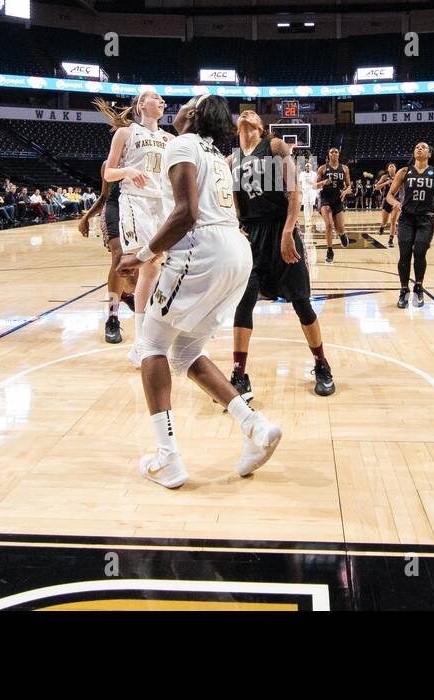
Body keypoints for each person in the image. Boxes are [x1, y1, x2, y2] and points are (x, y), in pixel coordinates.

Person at [117, 95, 282, 490]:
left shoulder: (182, 144)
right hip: (235, 252)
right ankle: (254, 425)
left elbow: (186, 213)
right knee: (186, 352)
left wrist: (143, 254)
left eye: (185, 103)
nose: (174, 107)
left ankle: (168, 459)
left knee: (151, 346)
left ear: (192, 114)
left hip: (203, 250)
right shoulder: (216, 155)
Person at [229, 110, 334, 401]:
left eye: (254, 113)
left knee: (301, 302)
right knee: (244, 302)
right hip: (252, 237)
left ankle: (322, 364)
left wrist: (288, 232)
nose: (247, 112)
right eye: (244, 112)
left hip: (280, 229)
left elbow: (295, 192)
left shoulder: (274, 146)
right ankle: (239, 375)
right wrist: (237, 226)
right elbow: (235, 202)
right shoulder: (232, 160)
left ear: (261, 126)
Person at [100, 91, 172, 366]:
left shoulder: (170, 139)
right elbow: (109, 173)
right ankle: (142, 339)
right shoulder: (126, 133)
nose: (162, 101)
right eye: (155, 97)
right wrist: (127, 171)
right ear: (141, 104)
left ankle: (146, 340)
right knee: (145, 266)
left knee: (155, 270)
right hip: (135, 202)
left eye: (162, 99)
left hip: (162, 204)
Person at [387, 142, 434, 309]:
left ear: (429, 154)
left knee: (420, 252)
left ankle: (418, 287)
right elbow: (389, 195)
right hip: (406, 219)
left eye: (423, 147)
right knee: (405, 254)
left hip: (426, 219)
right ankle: (403, 290)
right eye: (416, 147)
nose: (419, 148)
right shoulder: (404, 171)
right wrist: (395, 203)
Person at [77, 168, 136, 345]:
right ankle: (112, 319)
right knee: (119, 255)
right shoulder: (108, 164)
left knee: (133, 279)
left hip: (137, 210)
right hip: (114, 209)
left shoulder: (144, 157)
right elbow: (104, 196)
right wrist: (86, 217)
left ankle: (124, 293)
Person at [315, 146, 352, 263]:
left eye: (336, 152)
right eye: (332, 152)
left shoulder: (345, 168)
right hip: (325, 197)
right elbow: (315, 185)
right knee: (329, 224)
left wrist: (345, 191)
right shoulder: (323, 168)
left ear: (339, 154)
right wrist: (323, 182)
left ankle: (342, 234)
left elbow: (349, 186)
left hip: (337, 199)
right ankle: (329, 251)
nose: (334, 153)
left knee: (340, 227)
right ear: (328, 155)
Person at [374, 163, 401, 247]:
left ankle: (390, 240)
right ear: (388, 169)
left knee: (393, 221)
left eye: (393, 166)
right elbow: (377, 187)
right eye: (390, 166)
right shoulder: (384, 177)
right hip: (387, 200)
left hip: (396, 201)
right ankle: (382, 227)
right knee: (384, 221)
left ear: (396, 169)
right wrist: (386, 182)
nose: (392, 166)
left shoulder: (399, 176)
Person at [298, 157, 318, 228]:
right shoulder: (302, 174)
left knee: (311, 205)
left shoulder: (314, 174)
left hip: (312, 191)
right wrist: (300, 190)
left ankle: (310, 218)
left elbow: (316, 183)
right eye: (306, 166)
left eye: (309, 166)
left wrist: (311, 182)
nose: (308, 167)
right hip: (304, 191)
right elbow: (300, 183)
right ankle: (307, 220)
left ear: (311, 167)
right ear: (305, 167)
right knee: (306, 205)